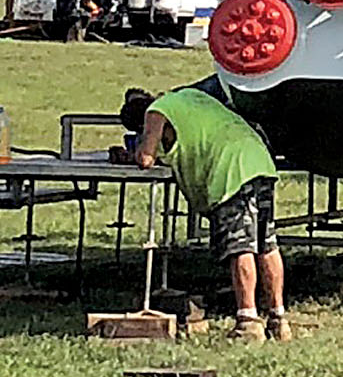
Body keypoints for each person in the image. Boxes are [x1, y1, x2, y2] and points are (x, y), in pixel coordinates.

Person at [123, 83, 288, 341]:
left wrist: (135, 150)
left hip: (231, 171)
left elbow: (146, 158)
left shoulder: (156, 112)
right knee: (266, 244)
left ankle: (248, 320)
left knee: (240, 246)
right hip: (258, 160)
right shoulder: (188, 97)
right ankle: (278, 319)